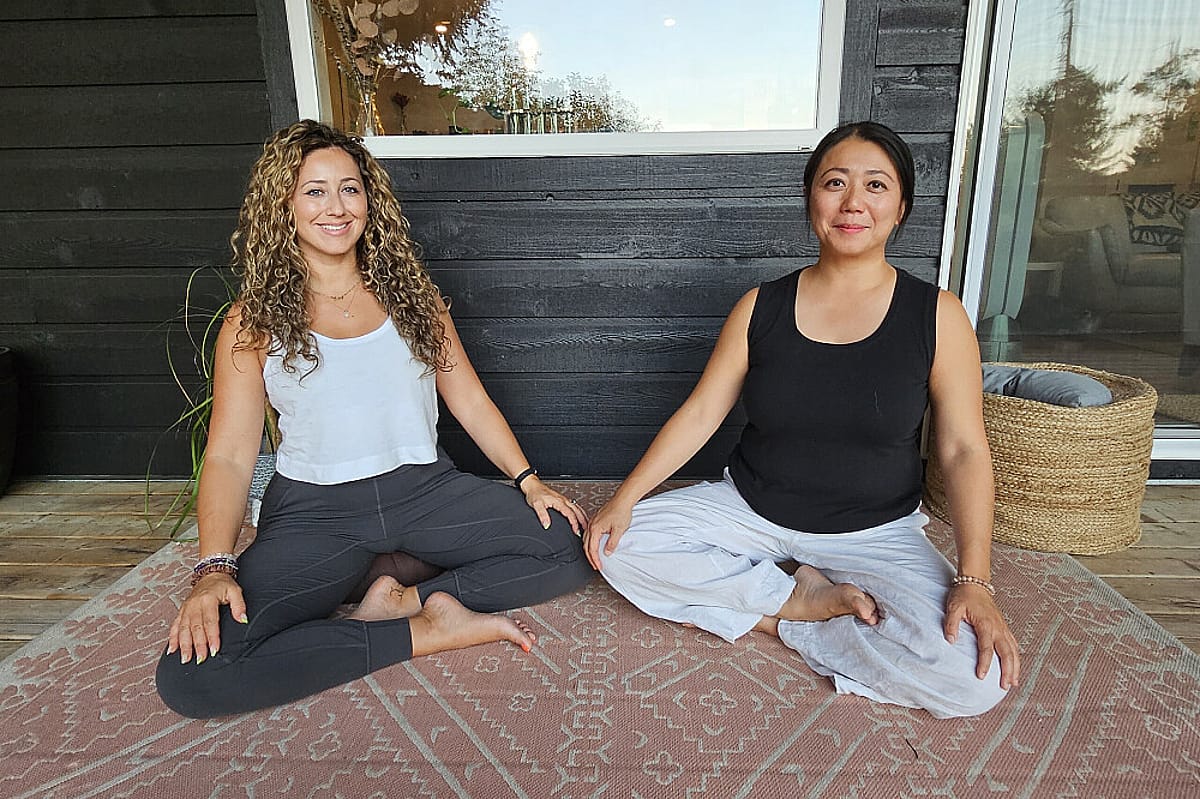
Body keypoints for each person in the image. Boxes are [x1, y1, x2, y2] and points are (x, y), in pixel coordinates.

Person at [584, 121, 1021, 719]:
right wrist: (626, 499)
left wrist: (977, 579)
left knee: (979, 679)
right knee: (616, 545)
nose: (852, 203)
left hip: (876, 533)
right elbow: (703, 411)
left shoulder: (938, 316)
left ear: (900, 209)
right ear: (811, 199)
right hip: (752, 509)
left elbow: (964, 450)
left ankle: (789, 613)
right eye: (834, 183)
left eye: (875, 186)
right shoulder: (760, 306)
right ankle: (793, 604)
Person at [156, 120, 592, 718]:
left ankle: (404, 596)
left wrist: (528, 481)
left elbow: (469, 399)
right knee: (195, 674)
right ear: (282, 205)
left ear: (370, 200)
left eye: (350, 189)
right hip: (315, 513)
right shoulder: (251, 321)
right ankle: (427, 627)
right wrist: (213, 568)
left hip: (425, 494)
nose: (336, 208)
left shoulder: (417, 299)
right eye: (314, 191)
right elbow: (230, 455)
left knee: (570, 546)